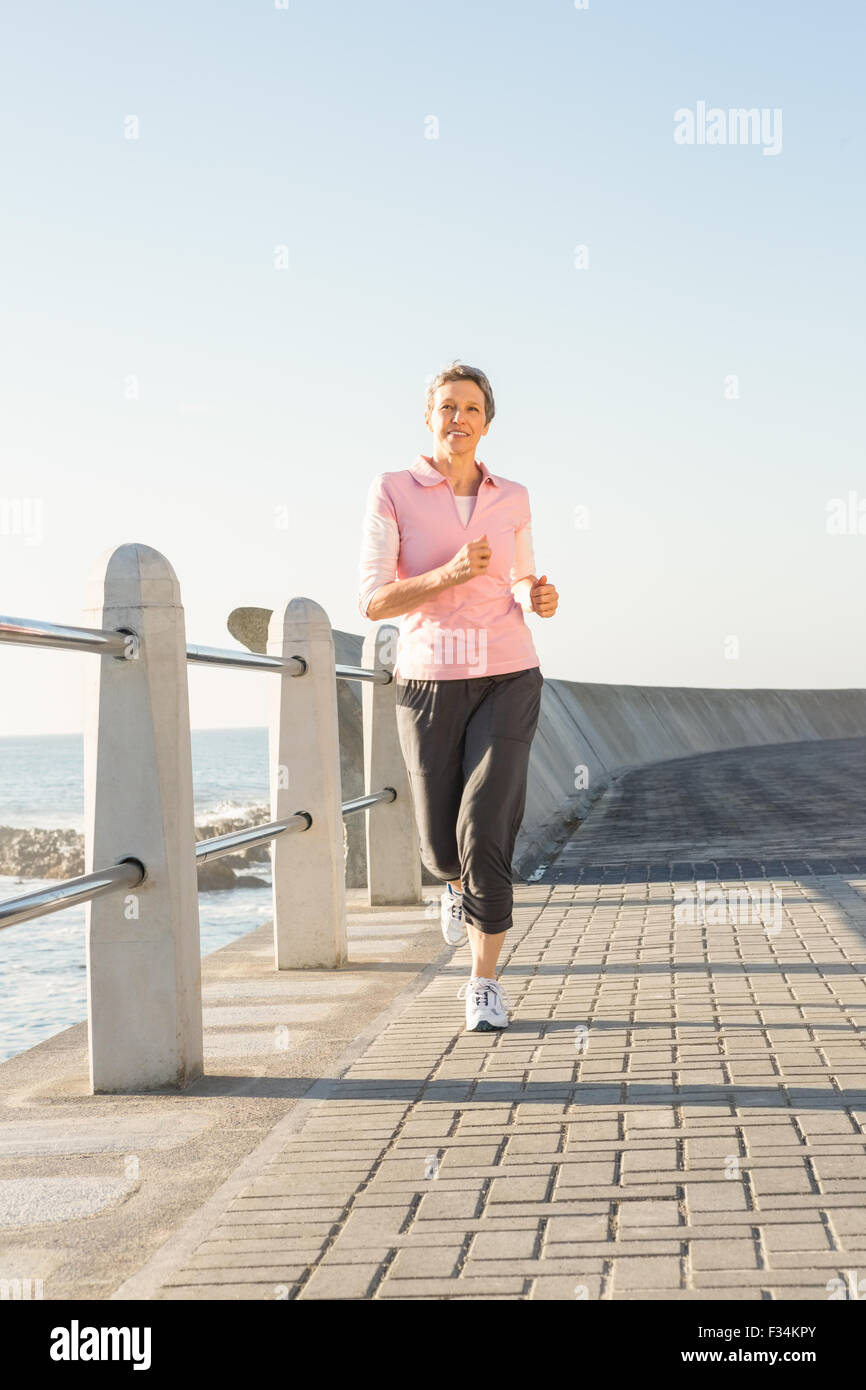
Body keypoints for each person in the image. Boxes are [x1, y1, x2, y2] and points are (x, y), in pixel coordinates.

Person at [357, 361, 559, 1031]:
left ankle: (483, 983)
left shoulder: (515, 496)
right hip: (427, 681)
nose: (458, 418)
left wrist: (540, 595)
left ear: (487, 421)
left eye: (471, 408)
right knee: (443, 851)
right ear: (428, 417)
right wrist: (445, 574)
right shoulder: (393, 490)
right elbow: (373, 600)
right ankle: (452, 885)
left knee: (485, 826)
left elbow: (525, 577)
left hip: (509, 674)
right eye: (447, 407)